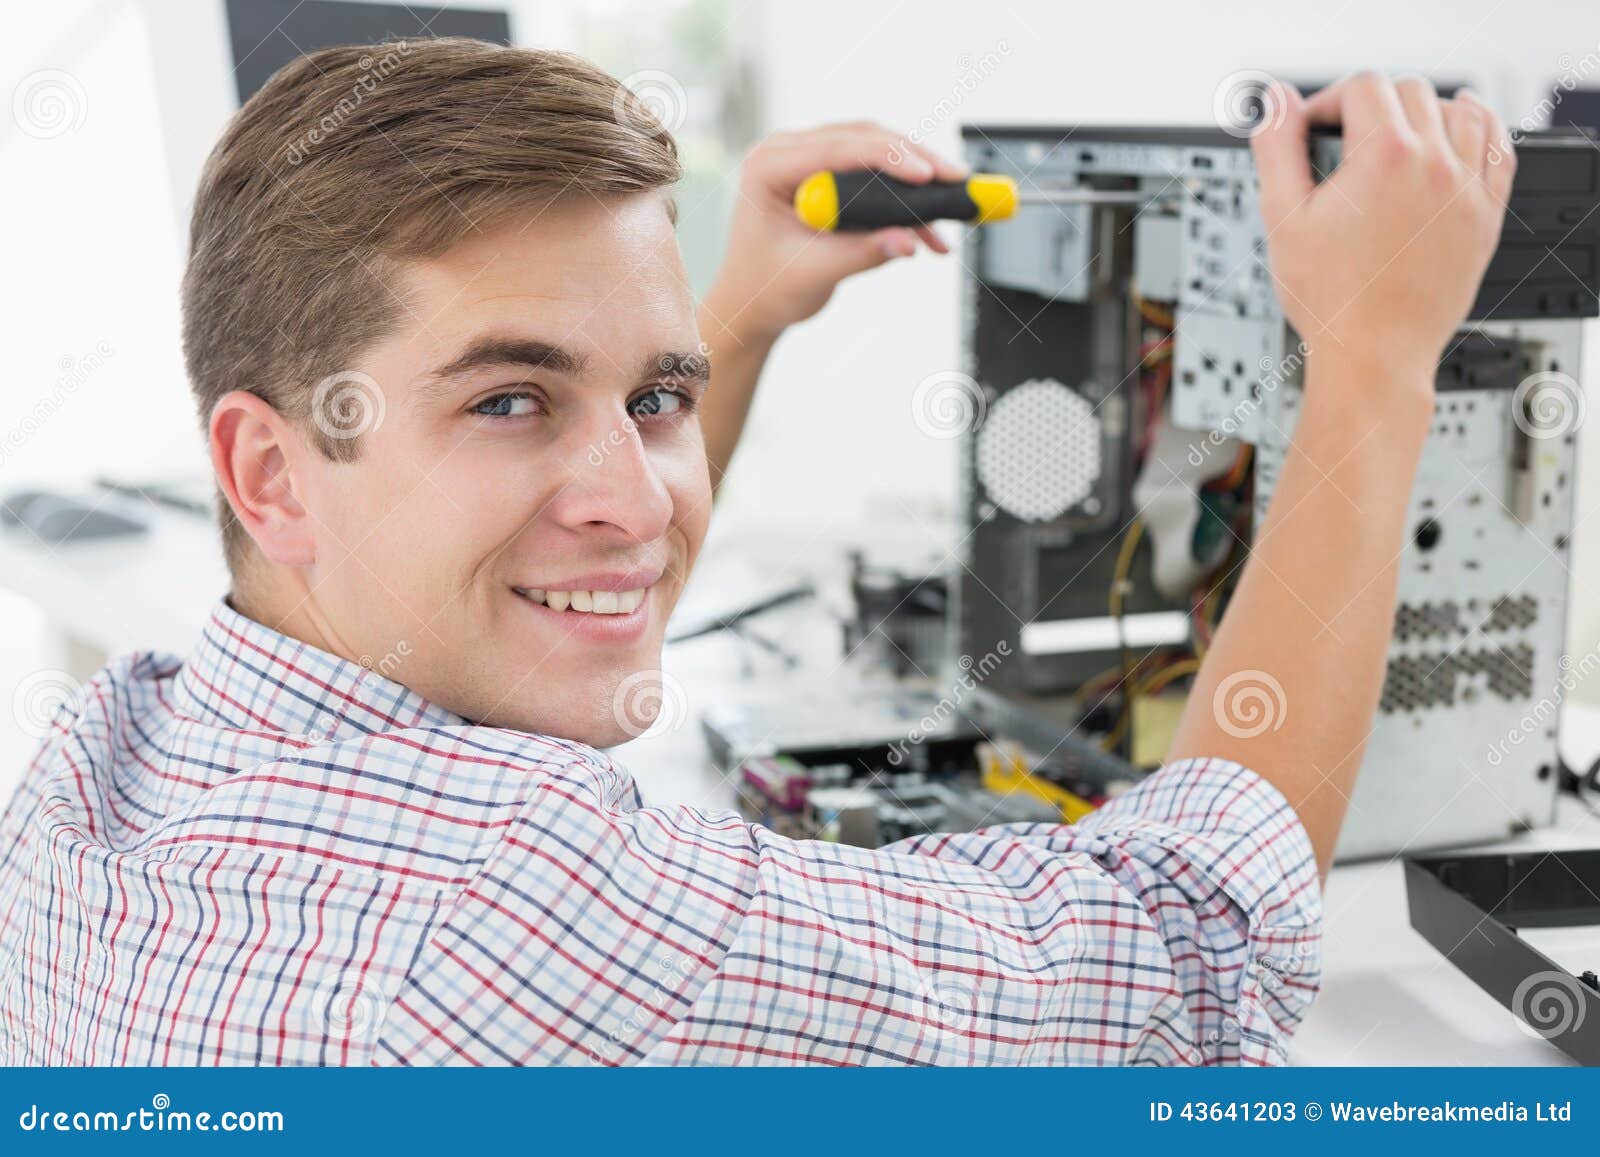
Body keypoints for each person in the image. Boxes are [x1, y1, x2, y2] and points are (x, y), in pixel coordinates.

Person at [0, 39, 1512, 1065]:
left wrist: (740, 315)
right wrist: (1378, 354)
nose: (639, 497)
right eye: (510, 397)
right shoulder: (523, 910)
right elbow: (1198, 957)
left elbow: (559, 549)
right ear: (271, 469)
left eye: (657, 396)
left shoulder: (93, 765)